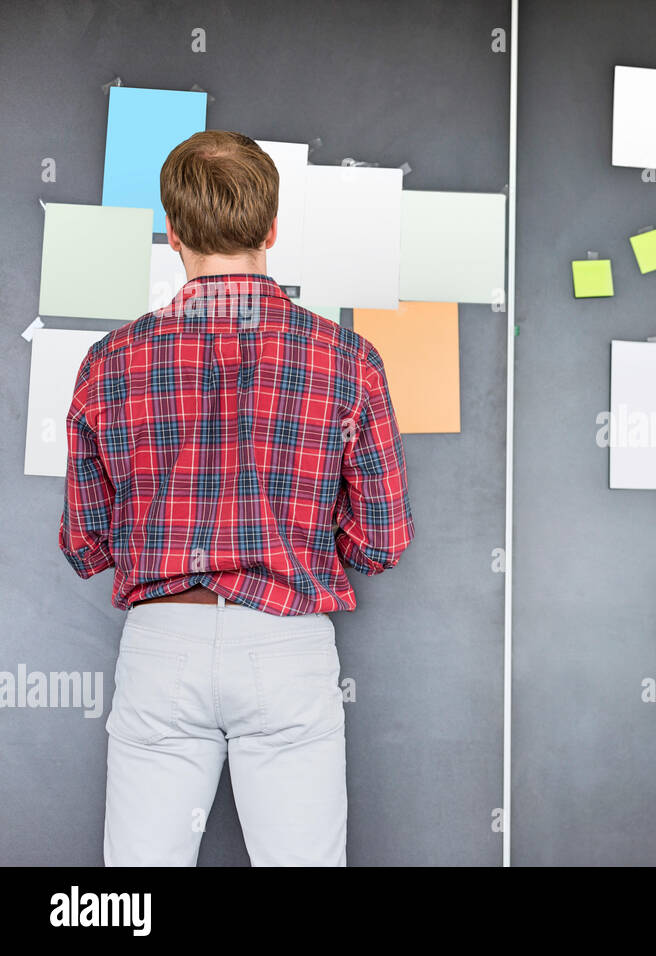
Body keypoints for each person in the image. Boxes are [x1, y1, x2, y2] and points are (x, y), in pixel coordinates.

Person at [58, 130, 414, 866]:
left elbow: (84, 543)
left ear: (175, 232)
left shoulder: (109, 361)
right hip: (287, 644)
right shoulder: (347, 357)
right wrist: (302, 541)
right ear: (273, 229)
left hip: (162, 645)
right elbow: (382, 544)